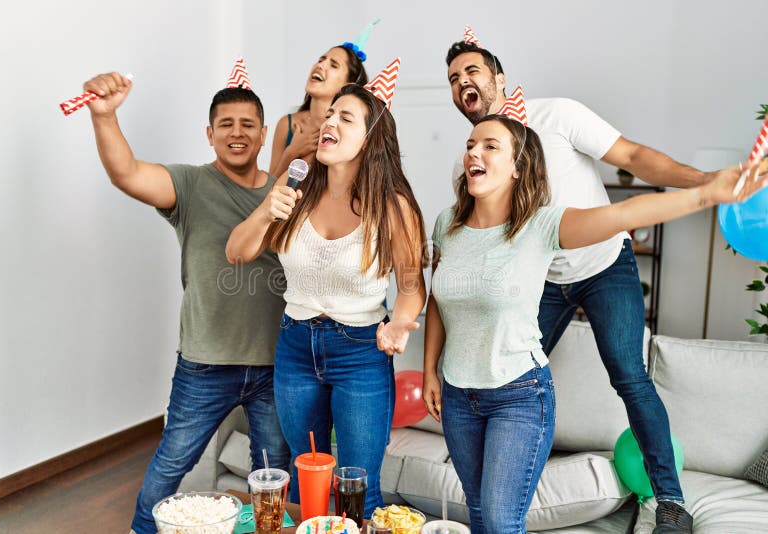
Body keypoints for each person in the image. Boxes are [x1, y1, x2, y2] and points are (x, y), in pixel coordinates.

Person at [423, 113, 766, 533]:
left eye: (490, 145)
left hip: (518, 397)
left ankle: (670, 496)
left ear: (518, 167)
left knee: (498, 521)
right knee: (477, 513)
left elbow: (628, 213)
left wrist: (706, 193)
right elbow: (437, 300)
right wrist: (429, 371)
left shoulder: (542, 225)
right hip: (459, 397)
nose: (474, 151)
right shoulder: (447, 225)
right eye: (471, 144)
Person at [79, 70, 290, 534]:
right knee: (173, 460)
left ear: (262, 134)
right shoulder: (190, 184)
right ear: (209, 133)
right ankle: (142, 529)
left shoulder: (285, 192)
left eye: (248, 124)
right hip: (205, 363)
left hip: (277, 364)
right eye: (226, 124)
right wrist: (104, 115)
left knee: (273, 472)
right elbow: (127, 173)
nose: (237, 133)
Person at [226, 76, 428, 514]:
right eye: (330, 113)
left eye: (345, 117)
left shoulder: (392, 204)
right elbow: (237, 250)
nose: (330, 120)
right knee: (307, 483)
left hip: (361, 351)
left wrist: (398, 322)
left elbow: (412, 287)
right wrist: (265, 211)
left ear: (370, 138)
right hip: (295, 345)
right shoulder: (295, 188)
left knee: (358, 487)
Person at [268, 45, 368, 177]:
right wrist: (291, 152)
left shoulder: (347, 134)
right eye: (321, 59)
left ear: (348, 85)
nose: (320, 65)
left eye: (334, 65)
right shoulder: (287, 124)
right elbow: (270, 191)